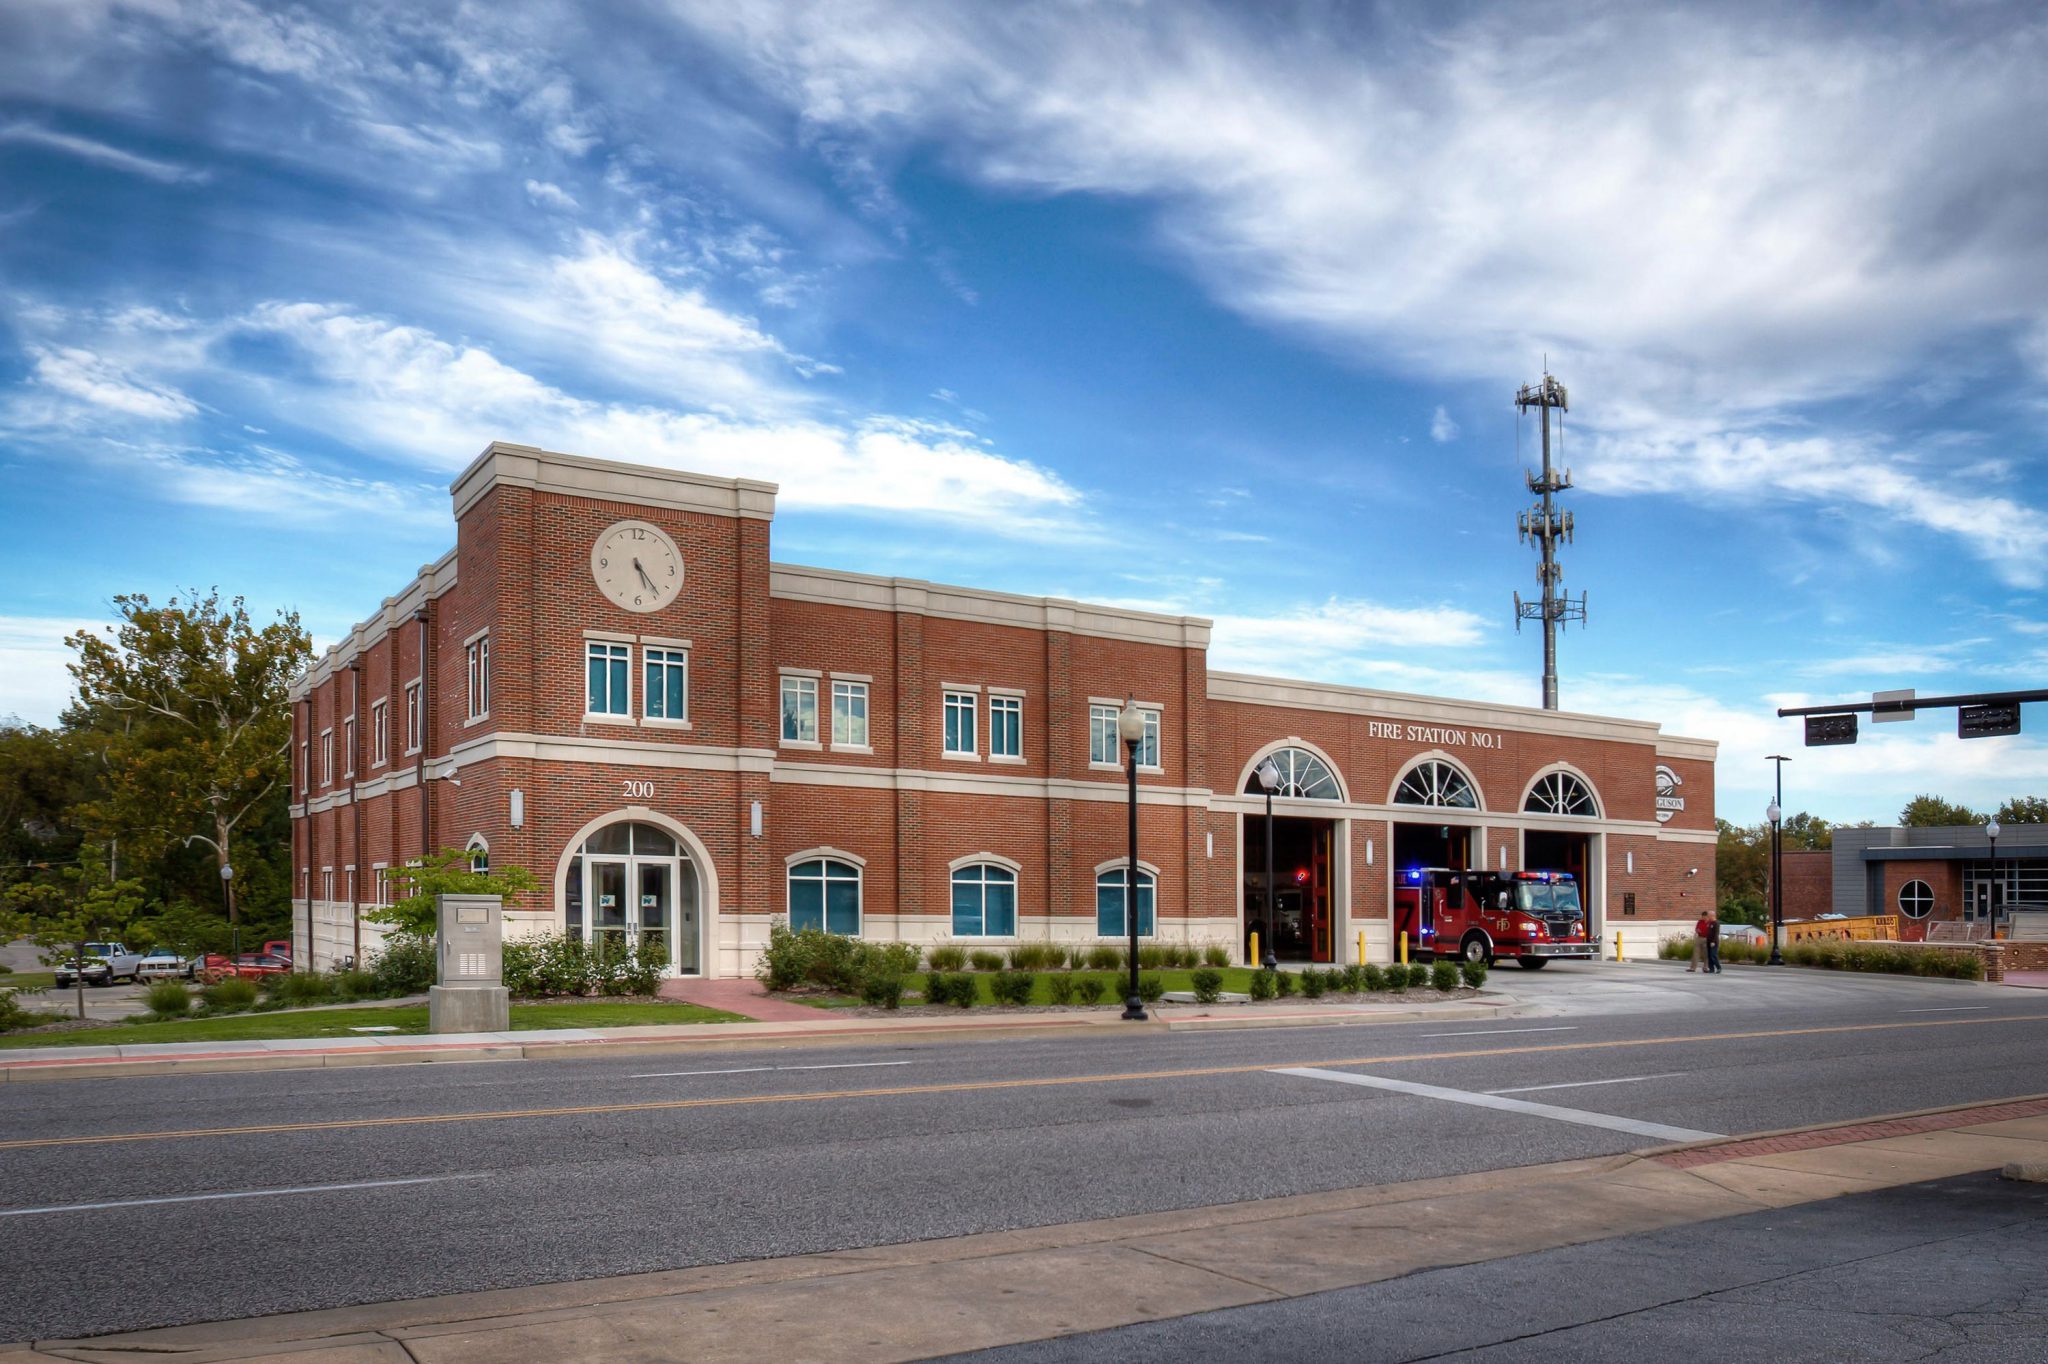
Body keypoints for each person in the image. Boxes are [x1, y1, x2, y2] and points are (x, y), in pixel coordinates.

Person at [1706, 909, 1722, 974]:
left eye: (1708, 915)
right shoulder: (1709, 923)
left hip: (1714, 942)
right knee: (1709, 956)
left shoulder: (1716, 923)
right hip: (1708, 941)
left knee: (1713, 955)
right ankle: (1711, 969)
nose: (1708, 917)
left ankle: (1718, 968)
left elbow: (1716, 933)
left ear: (1712, 915)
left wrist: (1713, 941)